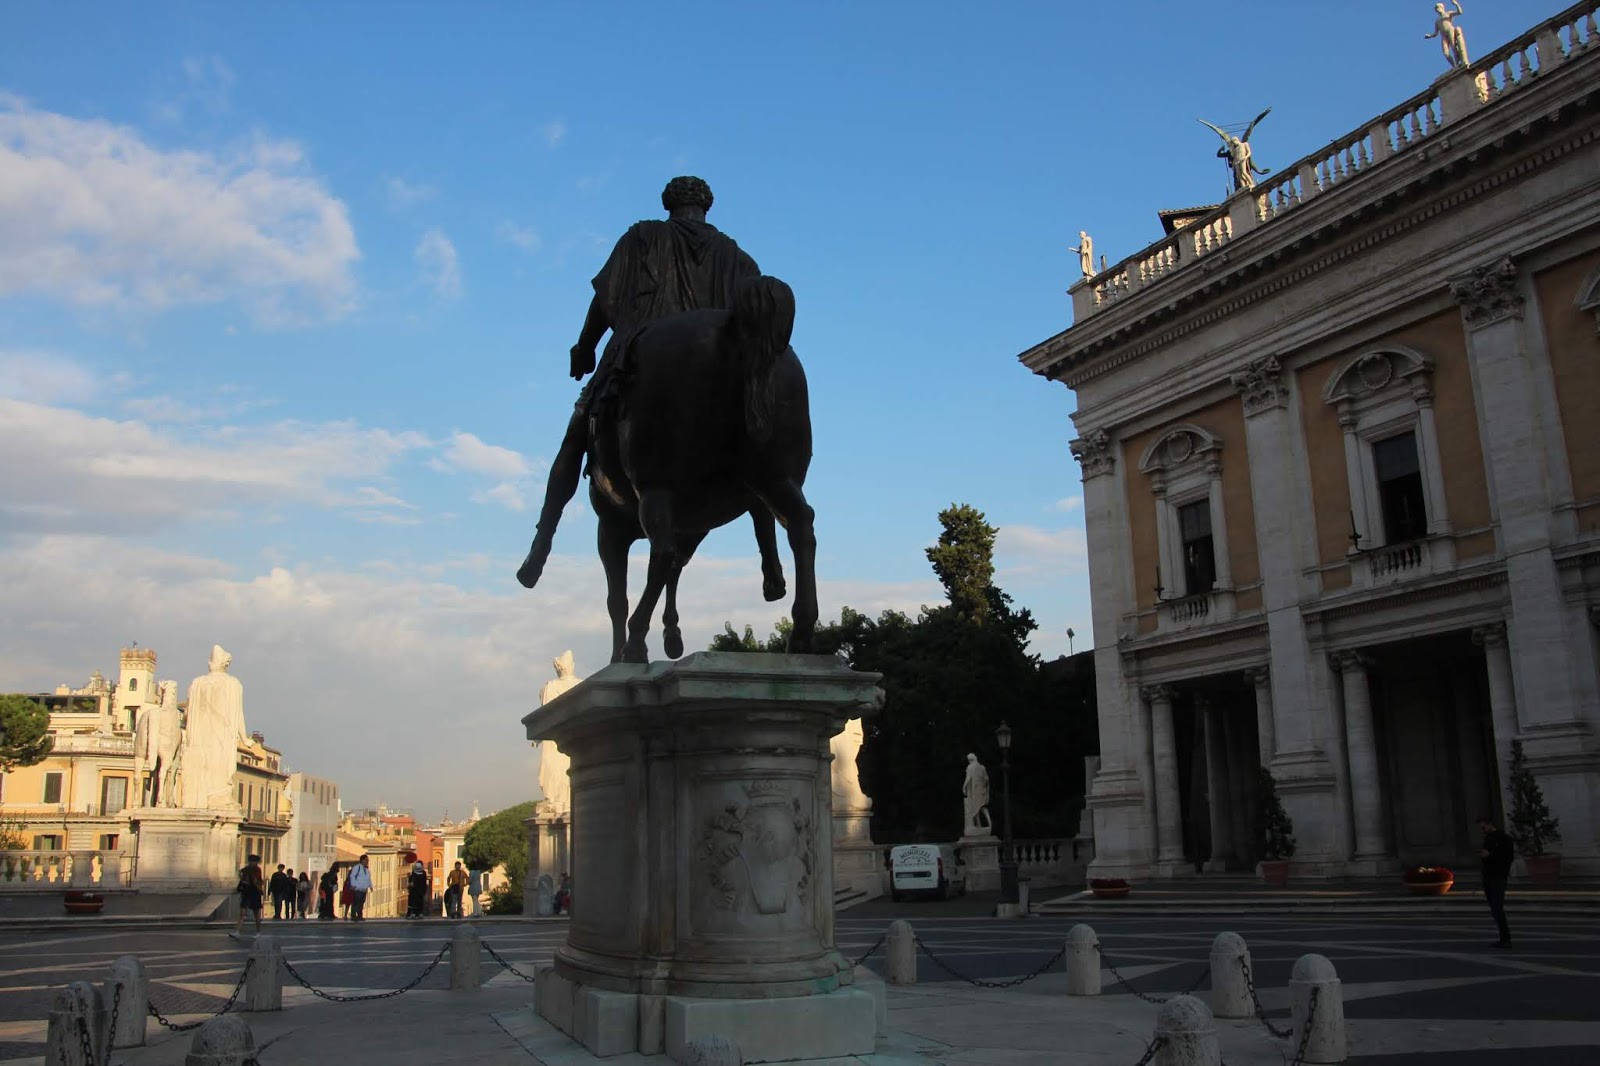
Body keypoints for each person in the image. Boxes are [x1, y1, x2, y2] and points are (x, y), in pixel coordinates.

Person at [516, 176, 763, 589]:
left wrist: (584, 346)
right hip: (719, 368)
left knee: (577, 433)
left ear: (669, 203)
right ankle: (769, 553)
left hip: (638, 350)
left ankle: (543, 540)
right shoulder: (738, 257)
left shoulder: (643, 236)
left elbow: (605, 295)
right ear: (707, 206)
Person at [1478, 814, 1514, 948]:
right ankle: (1503, 937)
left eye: (1483, 827)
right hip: (1489, 876)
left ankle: (1506, 938)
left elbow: (1507, 857)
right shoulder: (1488, 838)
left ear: (1490, 824)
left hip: (1498, 876)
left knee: (1497, 907)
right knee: (1494, 908)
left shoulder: (1504, 839)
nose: (1482, 830)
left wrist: (1490, 856)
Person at [1425, 2, 1469, 69]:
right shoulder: (1437, 21)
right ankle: (1454, 66)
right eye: (1436, 9)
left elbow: (1460, 12)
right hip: (1443, 36)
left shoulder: (1448, 13)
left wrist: (1456, 4)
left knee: (1454, 47)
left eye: (1437, 8)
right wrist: (1429, 36)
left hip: (1450, 30)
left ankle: (1457, 64)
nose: (1437, 10)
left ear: (1441, 7)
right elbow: (1436, 33)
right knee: (1446, 53)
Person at [235, 853, 264, 937]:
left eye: (253, 861)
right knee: (243, 913)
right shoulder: (248, 869)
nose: (252, 863)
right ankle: (238, 931)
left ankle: (258, 932)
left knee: (256, 914)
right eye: (251, 861)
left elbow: (256, 881)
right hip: (248, 892)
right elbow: (241, 875)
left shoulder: (256, 869)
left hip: (253, 892)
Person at [347, 853, 373, 921]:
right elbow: (352, 876)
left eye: (368, 860)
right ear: (362, 860)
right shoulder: (357, 867)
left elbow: (368, 878)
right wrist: (354, 885)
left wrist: (370, 886)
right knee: (356, 902)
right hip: (358, 889)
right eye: (366, 860)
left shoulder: (367, 870)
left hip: (364, 889)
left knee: (361, 903)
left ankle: (359, 915)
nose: (367, 861)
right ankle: (353, 916)